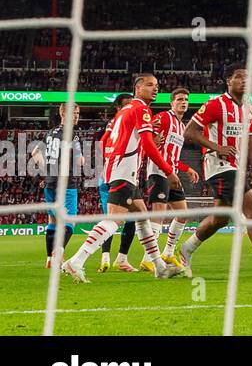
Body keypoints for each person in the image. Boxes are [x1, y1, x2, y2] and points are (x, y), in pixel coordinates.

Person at [62, 74, 184, 282]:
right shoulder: (141, 109)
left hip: (120, 169)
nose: (155, 89)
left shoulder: (124, 111)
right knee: (114, 220)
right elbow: (147, 143)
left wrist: (110, 163)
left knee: (142, 217)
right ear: (138, 88)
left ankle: (159, 266)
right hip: (124, 171)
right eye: (149, 85)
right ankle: (75, 261)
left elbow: (106, 140)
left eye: (157, 86)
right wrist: (168, 170)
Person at [179, 67, 252, 279]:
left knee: (219, 220)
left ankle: (187, 249)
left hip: (236, 167)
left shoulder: (250, 109)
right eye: (239, 77)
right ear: (228, 81)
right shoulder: (215, 104)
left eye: (247, 78)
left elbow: (251, 142)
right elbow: (189, 132)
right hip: (219, 165)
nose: (244, 81)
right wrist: (217, 146)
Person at [139, 87, 199, 274]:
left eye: (186, 99)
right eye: (179, 99)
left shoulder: (181, 126)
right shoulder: (163, 117)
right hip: (158, 171)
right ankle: (148, 259)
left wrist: (186, 168)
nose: (183, 102)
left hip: (172, 173)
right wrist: (152, 140)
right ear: (172, 102)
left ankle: (168, 252)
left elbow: (172, 155)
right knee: (159, 213)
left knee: (183, 214)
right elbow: (147, 139)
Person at [32, 104, 84, 268]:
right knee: (69, 221)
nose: (76, 116)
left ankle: (48, 259)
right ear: (62, 113)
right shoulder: (72, 135)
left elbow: (35, 153)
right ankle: (58, 251)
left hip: (50, 183)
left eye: (77, 113)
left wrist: (46, 171)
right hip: (66, 183)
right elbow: (79, 160)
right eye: (73, 113)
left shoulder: (50, 133)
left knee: (53, 220)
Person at [96, 93, 137, 272]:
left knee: (114, 219)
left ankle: (107, 258)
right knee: (127, 219)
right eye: (127, 105)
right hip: (118, 174)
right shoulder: (122, 123)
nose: (130, 108)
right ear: (118, 108)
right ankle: (121, 259)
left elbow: (102, 143)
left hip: (107, 175)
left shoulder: (113, 124)